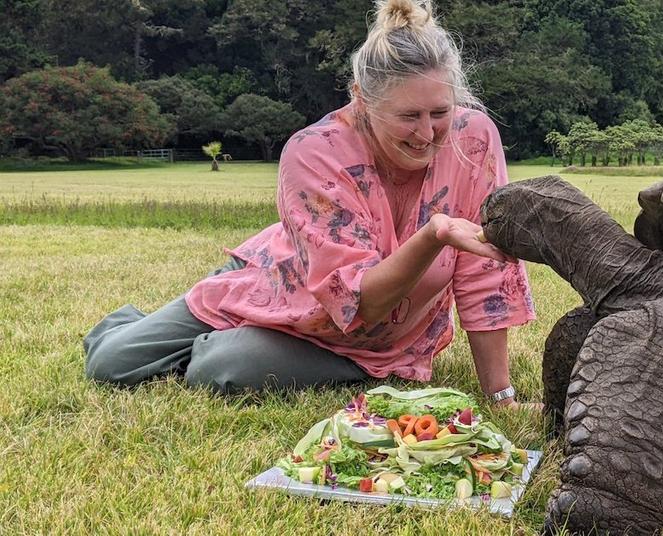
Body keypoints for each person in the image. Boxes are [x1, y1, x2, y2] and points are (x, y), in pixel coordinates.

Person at [83, 0, 536, 407]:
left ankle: (230, 343)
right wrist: (434, 234)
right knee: (112, 363)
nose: (426, 133)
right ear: (362, 100)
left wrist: (500, 395)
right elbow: (360, 300)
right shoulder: (313, 151)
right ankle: (155, 325)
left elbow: (487, 275)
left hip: (367, 342)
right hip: (278, 281)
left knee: (218, 369)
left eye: (439, 112)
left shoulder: (472, 139)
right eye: (407, 117)